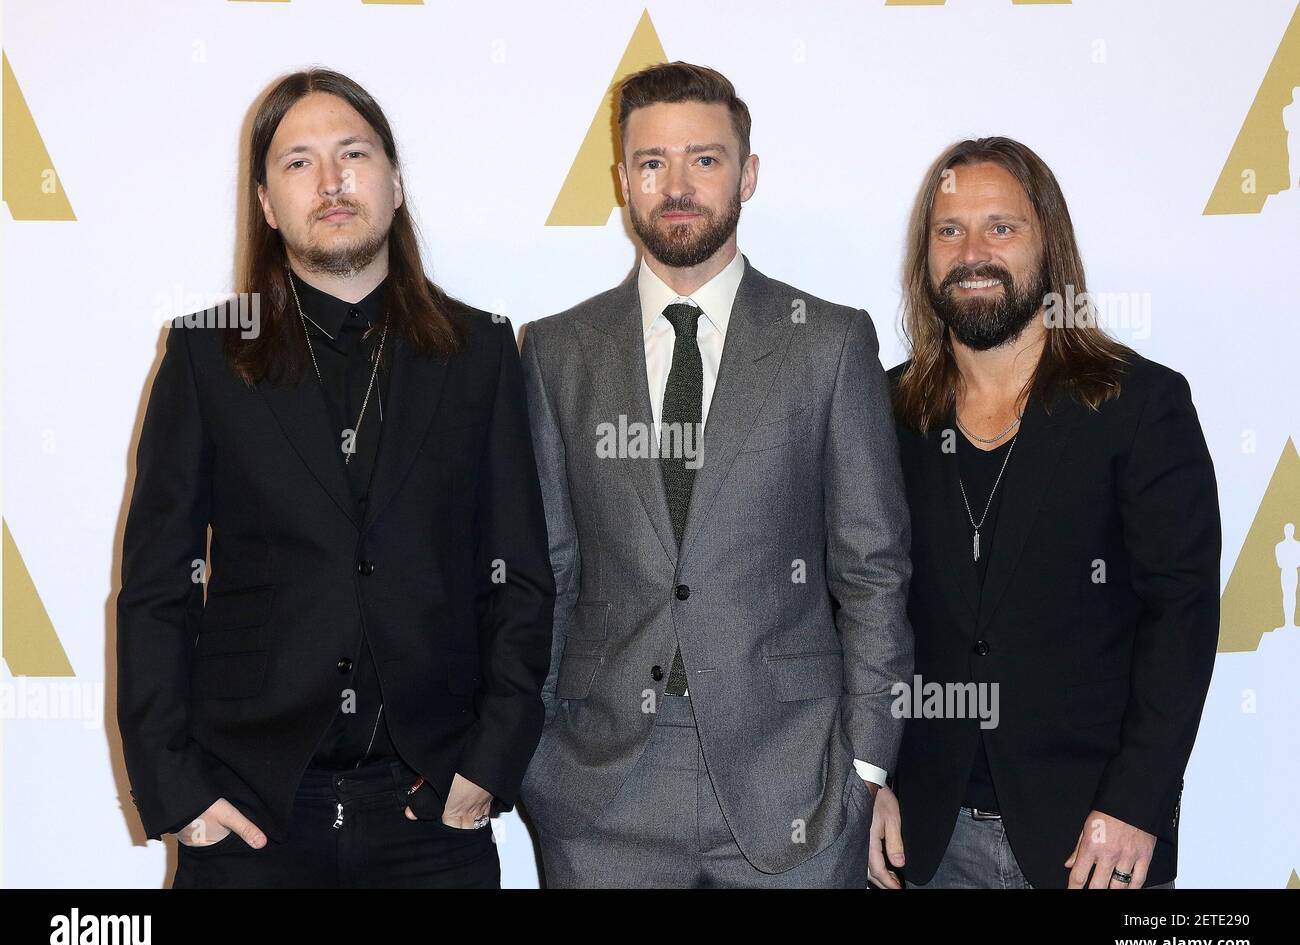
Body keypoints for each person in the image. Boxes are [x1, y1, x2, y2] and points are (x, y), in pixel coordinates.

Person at [117, 68, 554, 888]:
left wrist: (489, 765)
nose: (330, 181)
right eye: (298, 162)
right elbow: (155, 588)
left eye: (353, 154)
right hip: (249, 819)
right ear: (265, 202)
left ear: (394, 182)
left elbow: (521, 575)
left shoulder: (479, 351)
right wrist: (178, 792)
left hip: (431, 815)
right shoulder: (206, 355)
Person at [519, 62, 912, 887]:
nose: (677, 186)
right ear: (622, 181)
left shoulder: (828, 343)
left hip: (795, 783)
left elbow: (872, 570)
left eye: (705, 159)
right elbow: (549, 570)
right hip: (601, 792)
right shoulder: (556, 351)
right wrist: (537, 751)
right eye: (652, 162)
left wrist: (866, 767)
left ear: (748, 174)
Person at [870, 136, 1220, 890]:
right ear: (924, 256)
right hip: (921, 844)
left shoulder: (1137, 405)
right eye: (950, 230)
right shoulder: (882, 411)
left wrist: (1138, 802)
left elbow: (1183, 617)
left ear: (1049, 245)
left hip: (1094, 844)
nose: (973, 253)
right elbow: (849, 611)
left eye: (1001, 227)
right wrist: (862, 781)